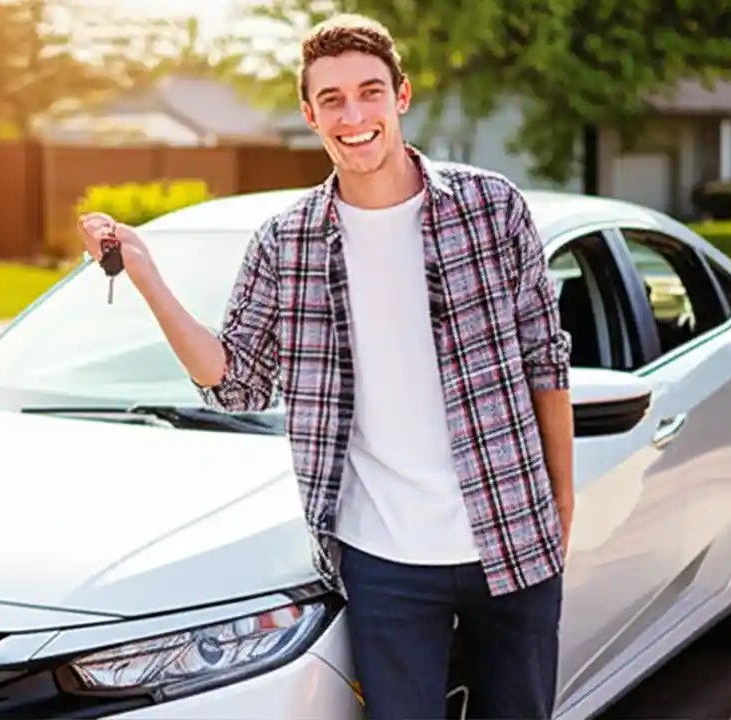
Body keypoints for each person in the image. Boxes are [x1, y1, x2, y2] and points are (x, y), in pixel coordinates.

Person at [76, 13, 574, 720]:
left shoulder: (491, 209)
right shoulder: (287, 244)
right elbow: (236, 382)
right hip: (383, 561)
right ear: (310, 115)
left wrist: (561, 509)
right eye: (332, 100)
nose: (354, 115)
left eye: (370, 92)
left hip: (514, 536)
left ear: (401, 97)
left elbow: (544, 359)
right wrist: (148, 275)